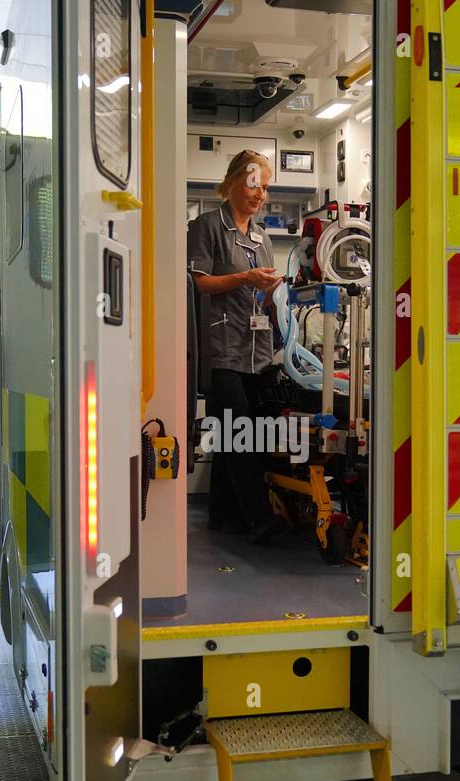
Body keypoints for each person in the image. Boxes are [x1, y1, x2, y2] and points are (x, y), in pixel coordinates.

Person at [187, 150, 288, 543]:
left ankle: (222, 515)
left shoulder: (262, 237)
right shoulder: (206, 227)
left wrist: (271, 292)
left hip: (257, 351)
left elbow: (258, 290)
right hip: (222, 350)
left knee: (240, 435)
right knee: (240, 436)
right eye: (253, 184)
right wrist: (246, 276)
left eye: (265, 187)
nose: (260, 194)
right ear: (231, 183)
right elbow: (200, 283)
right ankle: (260, 521)